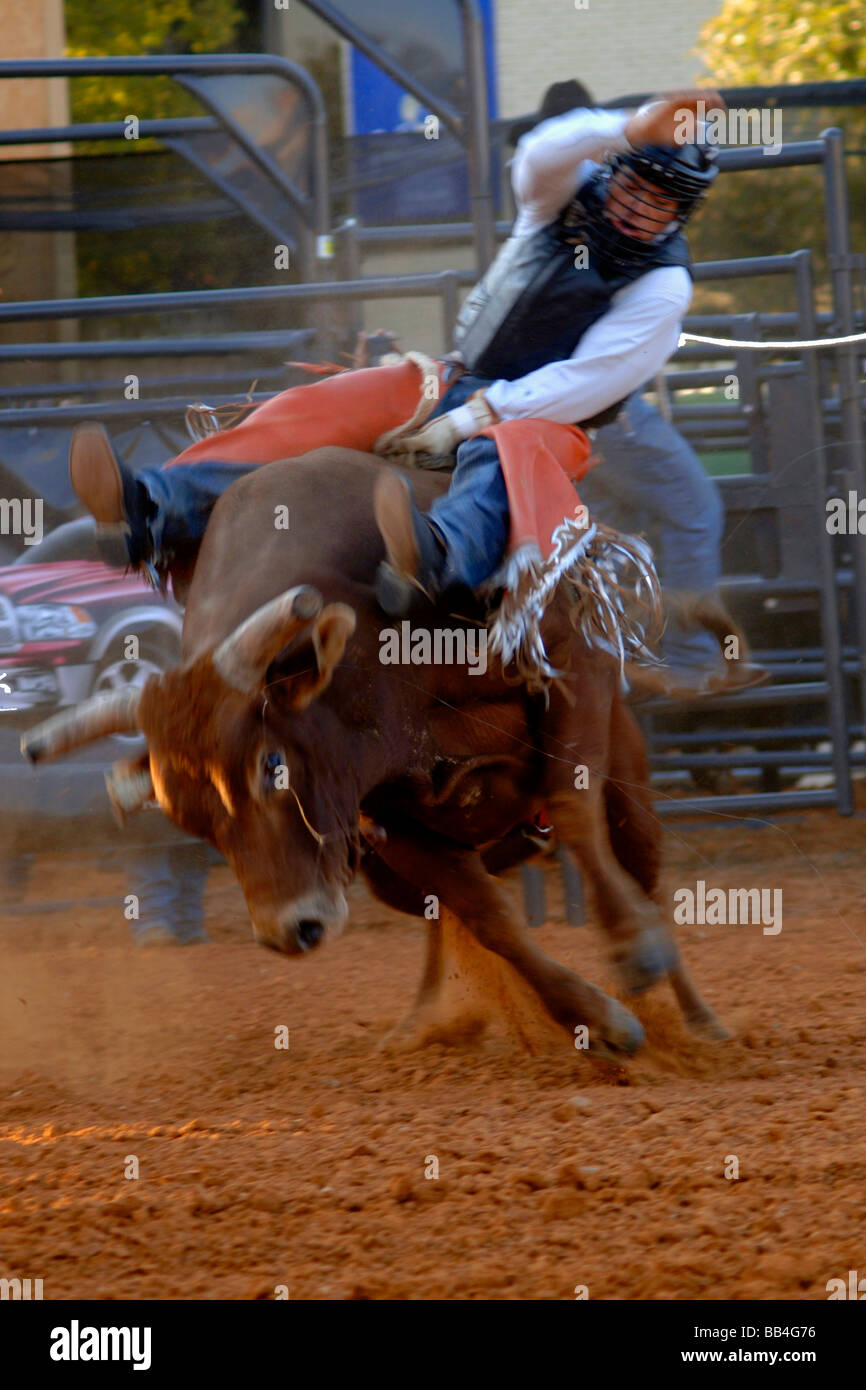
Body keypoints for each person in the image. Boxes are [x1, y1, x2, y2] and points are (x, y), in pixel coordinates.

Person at [68, 88, 762, 697]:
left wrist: (473, 419)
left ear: (680, 214)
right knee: (335, 403)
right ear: (614, 172)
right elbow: (538, 155)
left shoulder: (664, 286)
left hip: (551, 414)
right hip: (459, 374)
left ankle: (434, 557)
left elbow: (584, 383)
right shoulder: (561, 195)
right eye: (633, 185)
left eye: (659, 201)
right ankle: (155, 508)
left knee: (508, 455)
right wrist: (630, 125)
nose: (637, 207)